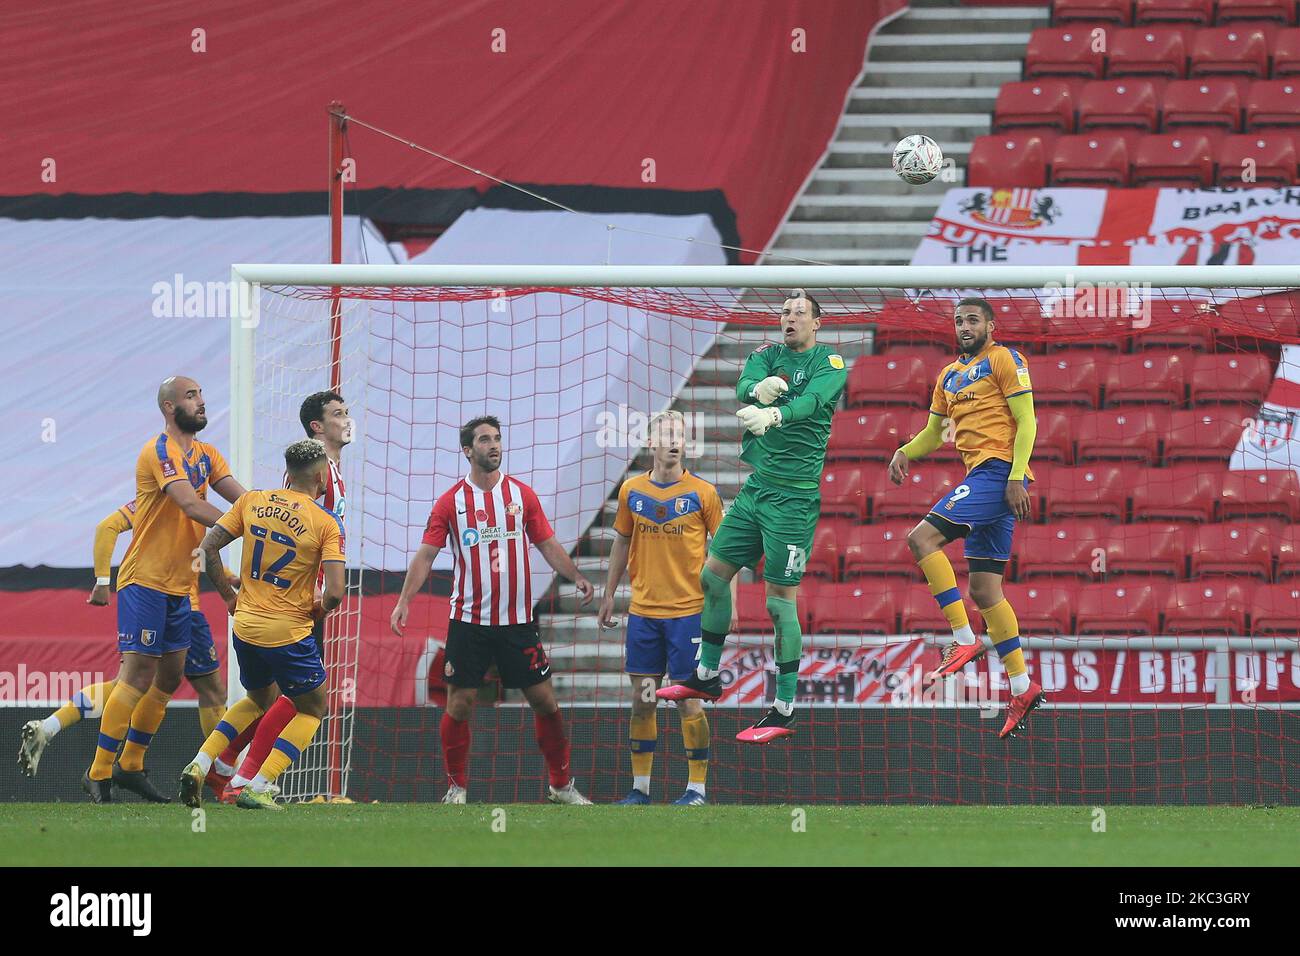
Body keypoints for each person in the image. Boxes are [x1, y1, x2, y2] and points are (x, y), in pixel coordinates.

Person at [659, 291, 846, 744]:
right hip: (757, 489)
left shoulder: (832, 364)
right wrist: (756, 391)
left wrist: (776, 413)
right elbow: (744, 384)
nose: (790, 318)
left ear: (817, 323)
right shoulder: (766, 354)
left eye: (800, 313)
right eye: (785, 312)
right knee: (713, 575)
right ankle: (706, 675)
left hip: (794, 500)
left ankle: (783, 708)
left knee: (778, 601)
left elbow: (813, 403)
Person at [390, 415, 594, 805]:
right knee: (460, 703)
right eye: (485, 440)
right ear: (467, 450)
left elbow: (547, 543)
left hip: (518, 623)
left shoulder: (521, 496)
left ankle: (561, 785)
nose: (494, 445)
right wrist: (404, 601)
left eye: (497, 438)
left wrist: (576, 576)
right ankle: (457, 787)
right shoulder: (451, 502)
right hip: (469, 623)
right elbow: (426, 556)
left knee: (545, 702)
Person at [83, 376, 246, 803]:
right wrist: (248, 526)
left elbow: (240, 499)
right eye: (192, 396)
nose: (202, 401)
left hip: (182, 587)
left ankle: (131, 765)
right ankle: (98, 772)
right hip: (145, 581)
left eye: (202, 394)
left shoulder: (207, 455)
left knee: (171, 676)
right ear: (170, 407)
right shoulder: (160, 451)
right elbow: (191, 504)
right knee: (137, 674)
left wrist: (268, 513)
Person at [888, 297, 1045, 739]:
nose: (964, 326)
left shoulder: (1005, 359)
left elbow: (1027, 420)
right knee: (984, 588)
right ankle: (1021, 685)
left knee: (921, 540)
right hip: (982, 473)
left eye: (972, 319)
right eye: (958, 321)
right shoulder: (948, 376)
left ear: (991, 325)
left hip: (999, 473)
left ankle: (962, 639)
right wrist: (905, 450)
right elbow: (934, 433)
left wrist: (1016, 476)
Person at [179, 438, 345, 809]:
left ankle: (200, 762)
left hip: (246, 626)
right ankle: (260, 783)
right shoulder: (325, 522)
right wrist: (320, 609)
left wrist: (226, 596)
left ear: (286, 473)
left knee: (257, 699)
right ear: (321, 477)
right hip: (287, 631)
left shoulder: (251, 501)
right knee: (311, 708)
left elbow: (207, 547)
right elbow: (335, 591)